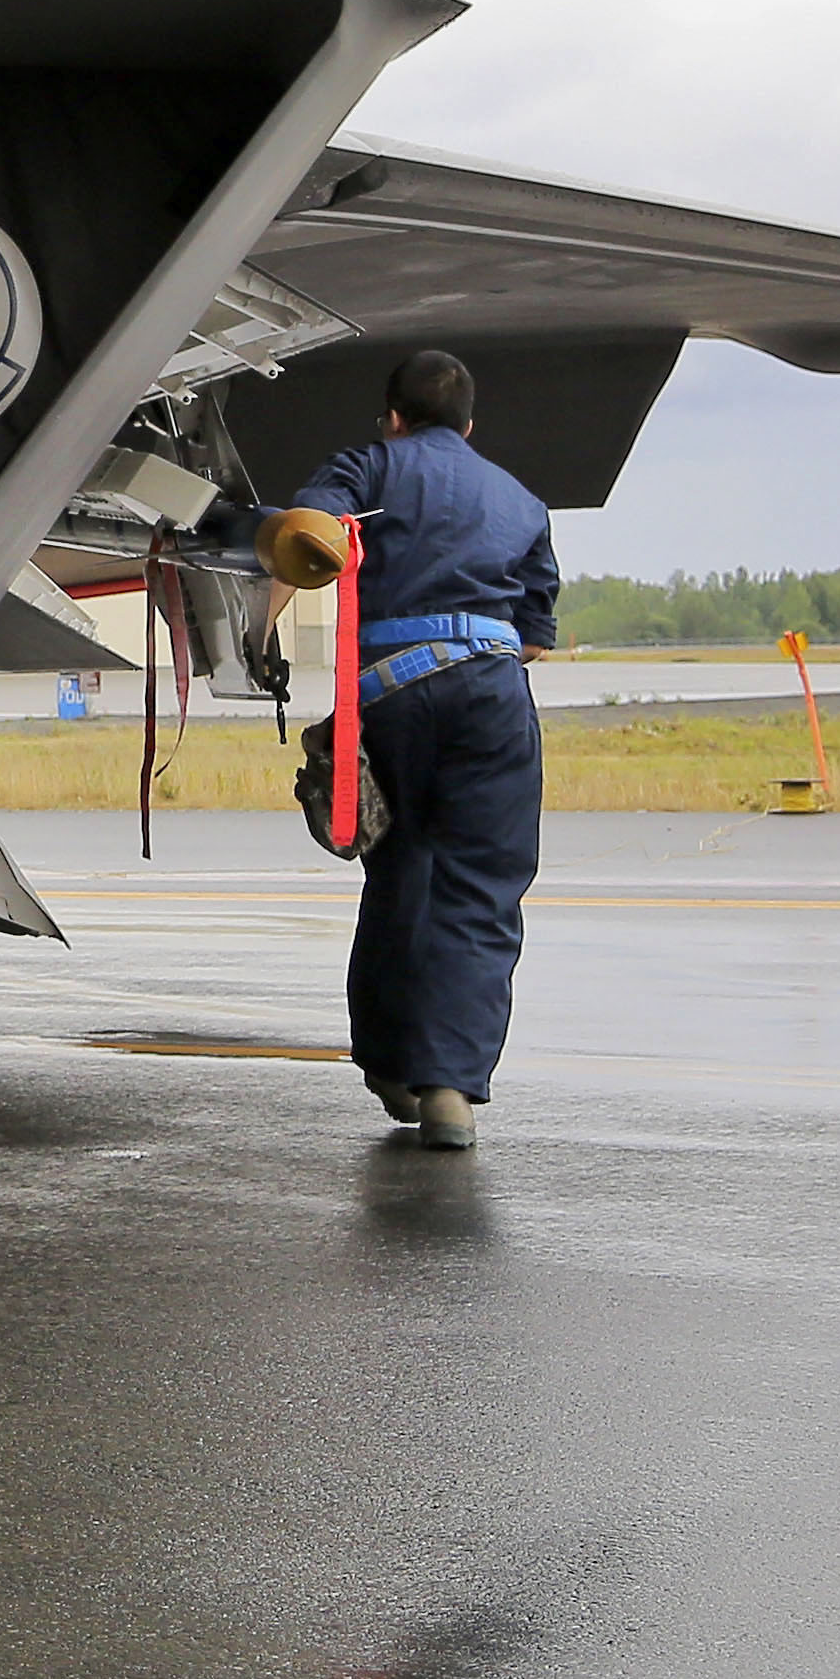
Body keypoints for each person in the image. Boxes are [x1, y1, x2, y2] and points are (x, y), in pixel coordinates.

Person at [281, 346, 560, 1152]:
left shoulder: (369, 466)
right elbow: (535, 636)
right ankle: (450, 1089)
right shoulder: (521, 501)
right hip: (492, 694)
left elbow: (310, 534)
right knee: (479, 886)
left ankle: (389, 1066)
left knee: (400, 871)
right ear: (470, 427)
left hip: (390, 695)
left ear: (393, 418)